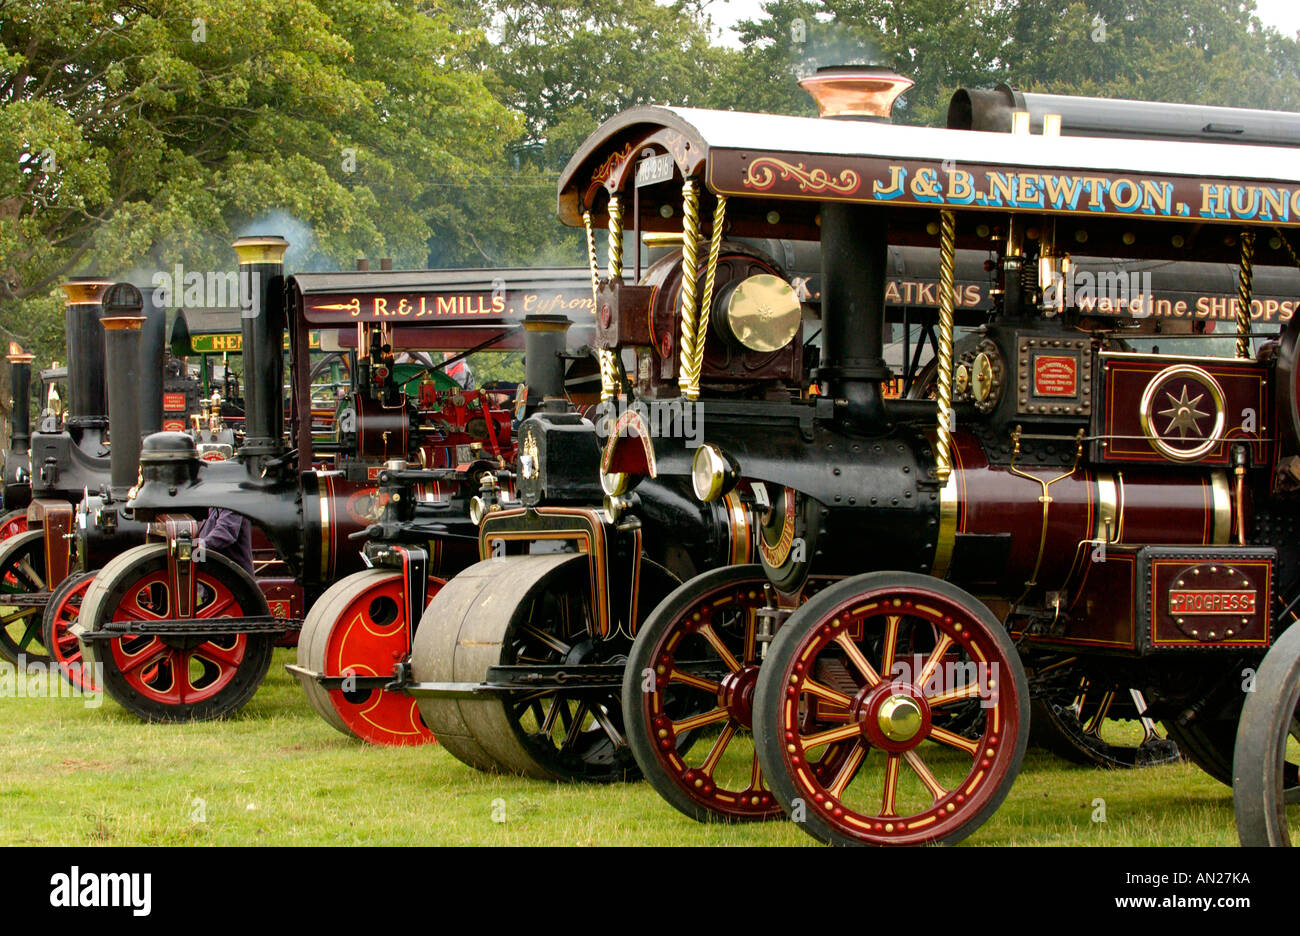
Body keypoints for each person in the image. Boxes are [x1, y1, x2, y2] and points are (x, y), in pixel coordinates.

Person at [198, 507, 254, 575]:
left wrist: (200, 546)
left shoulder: (231, 502)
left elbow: (226, 531)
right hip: (218, 572)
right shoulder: (215, 506)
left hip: (234, 577)